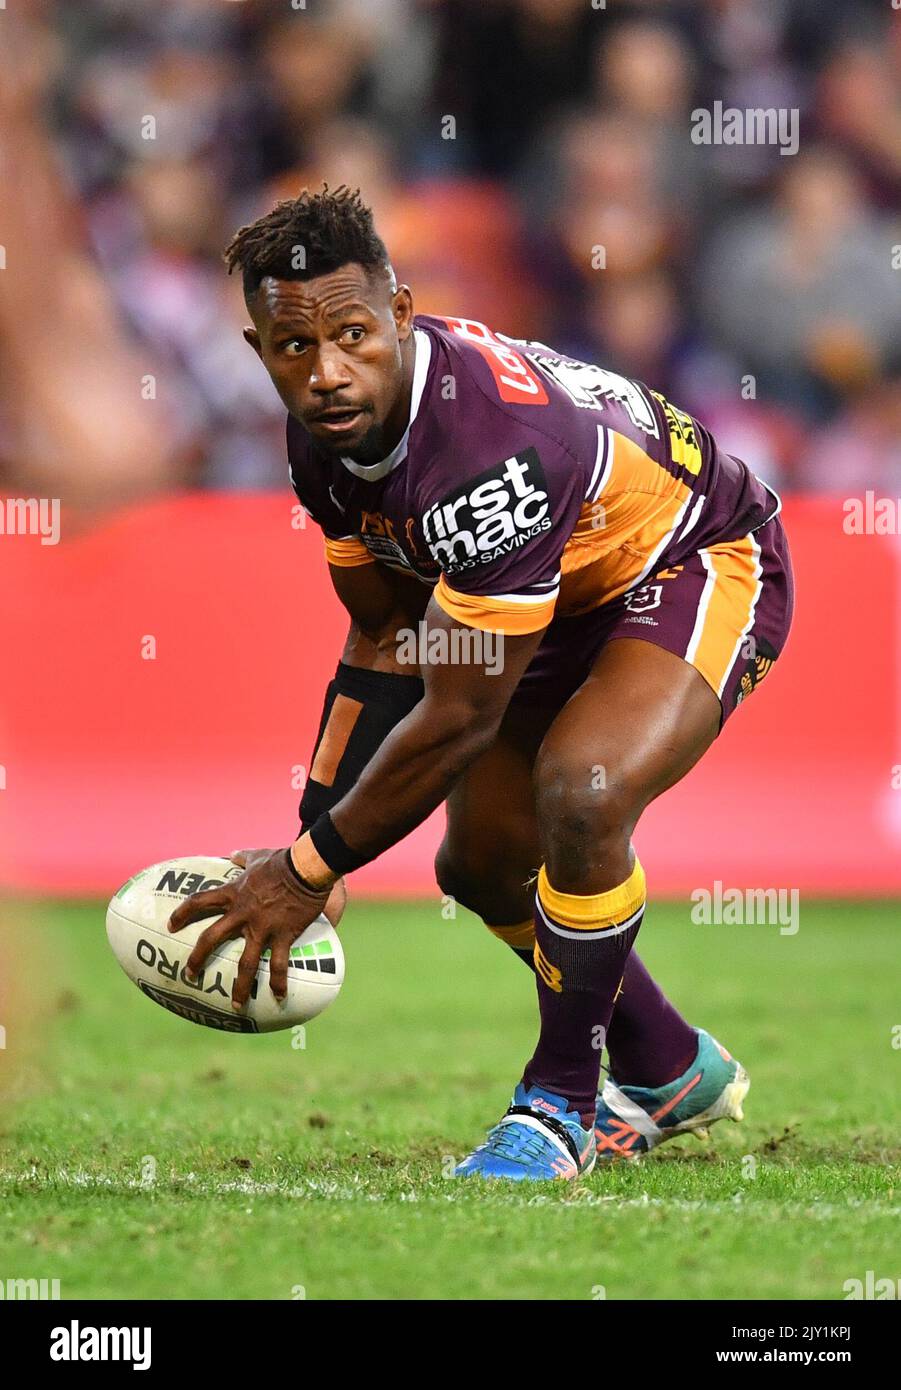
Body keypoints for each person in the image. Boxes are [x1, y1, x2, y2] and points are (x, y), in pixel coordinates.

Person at [169, 187, 793, 1181]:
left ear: (404, 312)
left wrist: (310, 870)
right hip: (550, 592)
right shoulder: (322, 443)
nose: (327, 373)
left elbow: (457, 715)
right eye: (295, 348)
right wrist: (309, 840)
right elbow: (382, 636)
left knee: (582, 793)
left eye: (353, 335)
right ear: (259, 350)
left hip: (690, 560)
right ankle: (669, 1067)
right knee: (482, 867)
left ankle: (560, 1103)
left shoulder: (491, 445)